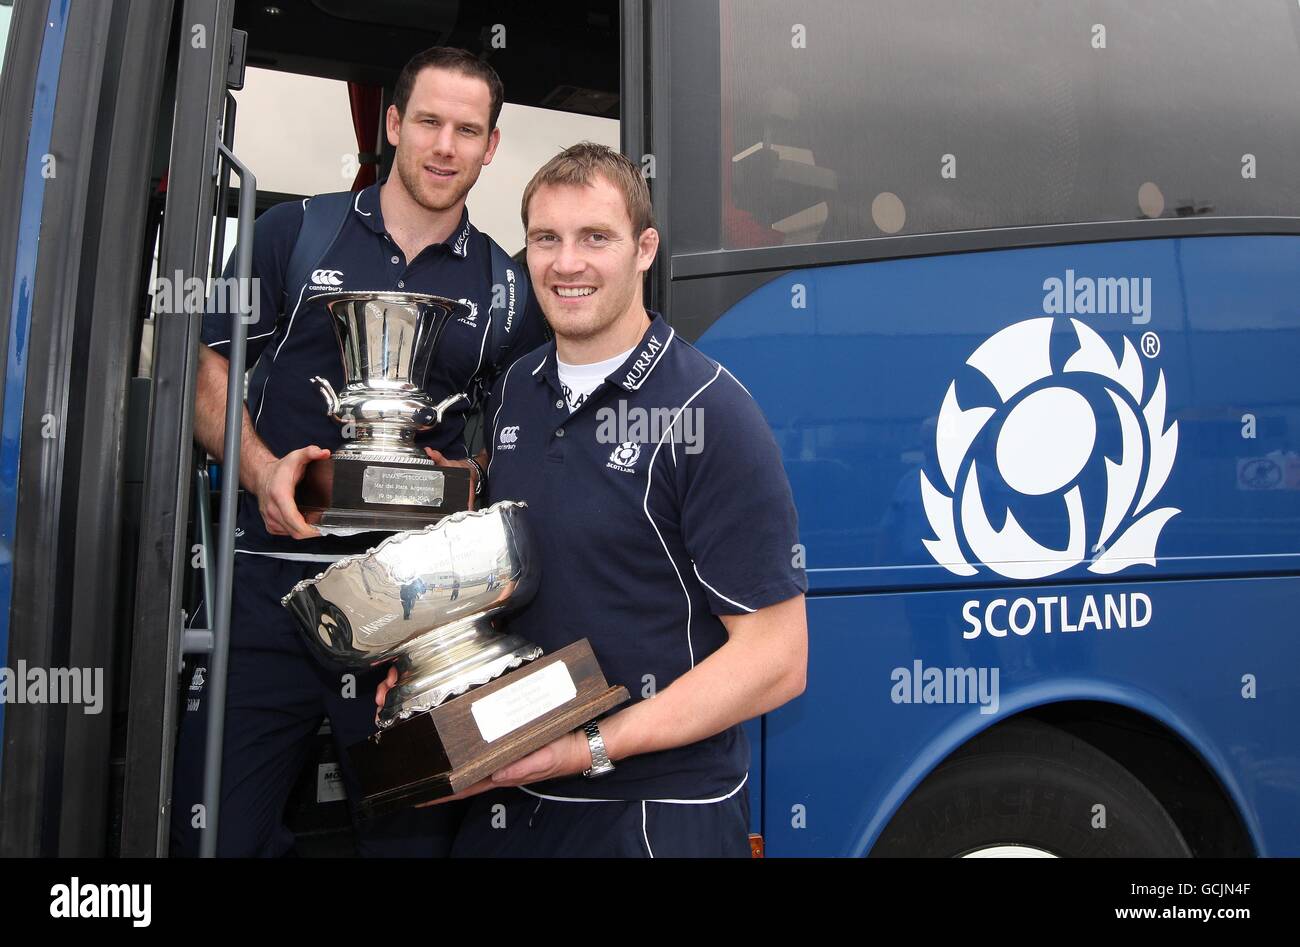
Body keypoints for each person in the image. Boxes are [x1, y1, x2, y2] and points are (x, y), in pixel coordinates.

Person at [379, 143, 809, 857]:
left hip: (653, 812)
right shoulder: (519, 387)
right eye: (546, 238)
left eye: (594, 237)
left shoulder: (708, 413)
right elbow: (518, 578)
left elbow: (778, 658)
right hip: (514, 796)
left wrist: (589, 748)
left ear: (644, 250)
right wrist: (431, 667)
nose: (566, 263)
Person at [171, 47, 548, 857]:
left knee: (409, 848)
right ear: (392, 126)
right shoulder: (291, 234)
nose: (445, 146)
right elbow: (206, 370)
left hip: (416, 617)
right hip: (264, 590)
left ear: (490, 146)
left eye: (467, 130)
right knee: (213, 836)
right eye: (429, 123)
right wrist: (263, 470)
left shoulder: (507, 289)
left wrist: (474, 478)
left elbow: (530, 431)